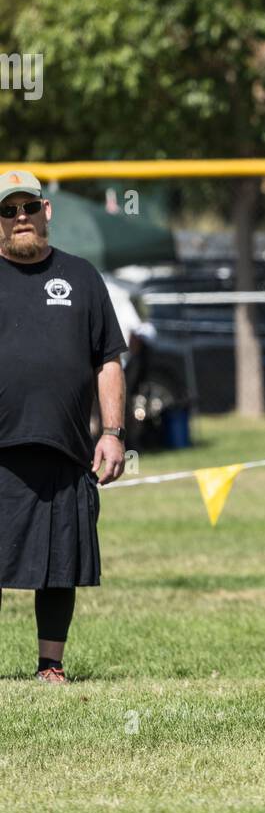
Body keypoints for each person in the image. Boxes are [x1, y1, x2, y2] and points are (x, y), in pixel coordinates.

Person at [0, 170, 128, 683]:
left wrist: (114, 432)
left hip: (65, 446)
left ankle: (49, 664)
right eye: (8, 211)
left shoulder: (81, 277)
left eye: (28, 207)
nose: (20, 218)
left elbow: (109, 360)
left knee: (58, 562)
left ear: (46, 211)